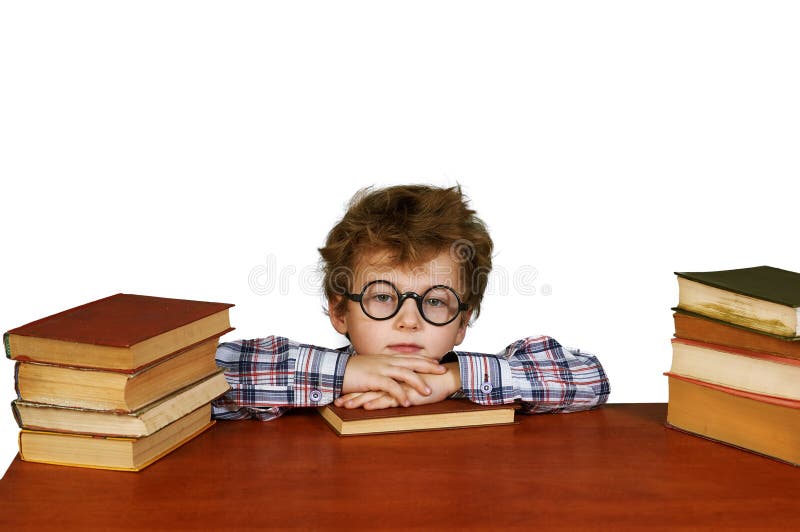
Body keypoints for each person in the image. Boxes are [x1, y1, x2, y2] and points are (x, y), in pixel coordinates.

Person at [212, 184, 609, 420]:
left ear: (461, 323)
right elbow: (204, 378)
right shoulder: (290, 380)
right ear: (339, 311)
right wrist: (347, 374)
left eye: (435, 302)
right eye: (383, 297)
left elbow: (590, 378)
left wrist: (453, 380)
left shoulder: (478, 383)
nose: (409, 321)